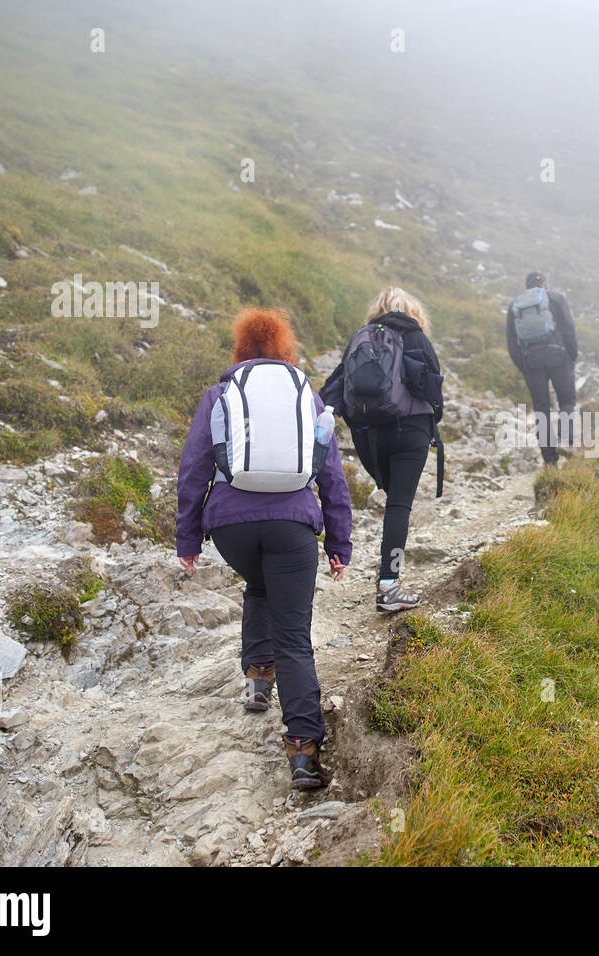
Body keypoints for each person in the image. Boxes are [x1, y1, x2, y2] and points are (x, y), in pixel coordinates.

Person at [176, 308, 353, 791]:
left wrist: (187, 539)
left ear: (240, 351)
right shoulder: (308, 398)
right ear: (284, 350)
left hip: (232, 526)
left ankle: (257, 676)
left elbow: (193, 469)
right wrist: (339, 542)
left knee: (259, 582)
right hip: (293, 525)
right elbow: (331, 476)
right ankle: (302, 751)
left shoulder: (220, 394)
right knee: (294, 635)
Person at [320, 287, 444, 613]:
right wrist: (432, 424)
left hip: (369, 436)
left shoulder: (361, 337)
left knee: (391, 500)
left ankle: (387, 570)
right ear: (414, 311)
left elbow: (334, 386)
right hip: (411, 432)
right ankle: (389, 582)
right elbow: (434, 391)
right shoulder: (416, 337)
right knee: (399, 506)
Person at [506, 270, 578, 465]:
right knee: (567, 400)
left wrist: (523, 365)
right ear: (544, 285)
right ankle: (566, 441)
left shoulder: (515, 306)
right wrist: (571, 356)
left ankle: (549, 458)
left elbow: (512, 343)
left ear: (526, 287)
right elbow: (569, 329)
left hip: (531, 361)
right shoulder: (556, 299)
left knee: (542, 407)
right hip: (557, 355)